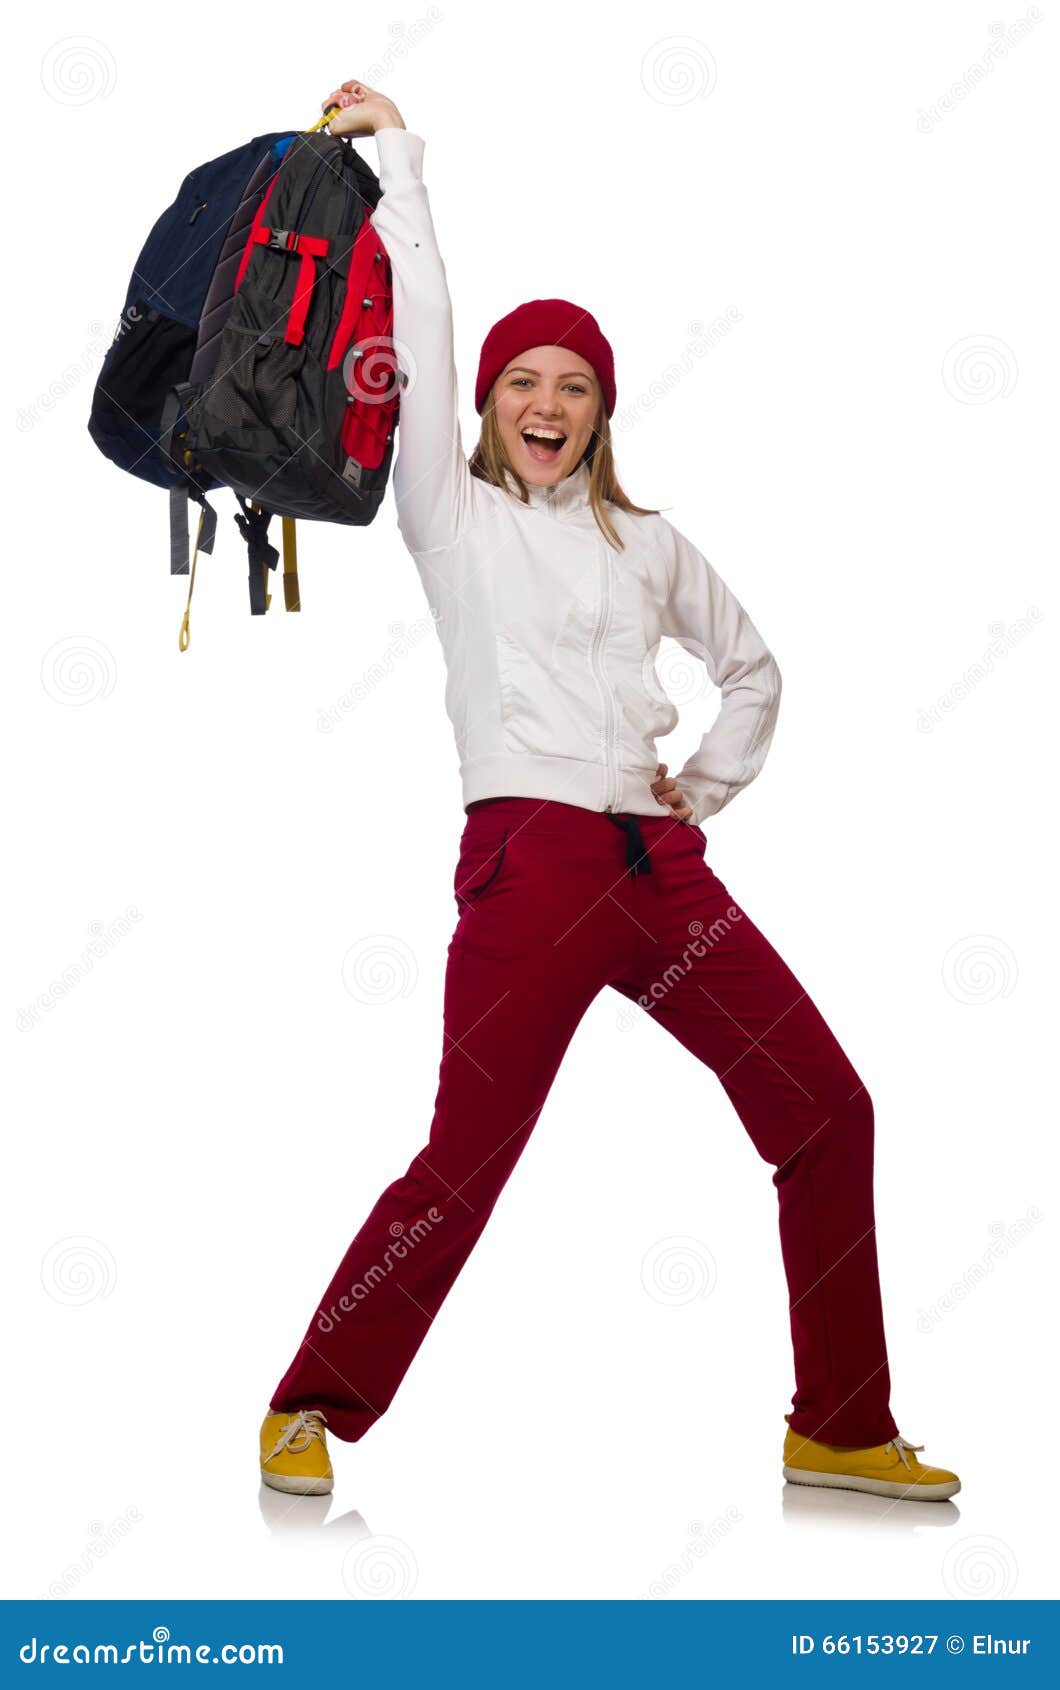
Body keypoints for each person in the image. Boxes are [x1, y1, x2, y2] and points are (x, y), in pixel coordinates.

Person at [258, 79, 960, 1505]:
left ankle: (837, 1421)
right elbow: (432, 320)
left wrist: (697, 792)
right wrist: (399, 161)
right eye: (525, 382)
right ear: (490, 401)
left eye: (574, 386)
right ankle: (309, 1401)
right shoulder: (452, 520)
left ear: (602, 412)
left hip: (666, 877)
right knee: (467, 1157)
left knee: (829, 1108)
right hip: (532, 866)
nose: (547, 403)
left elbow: (756, 670)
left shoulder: (647, 541)